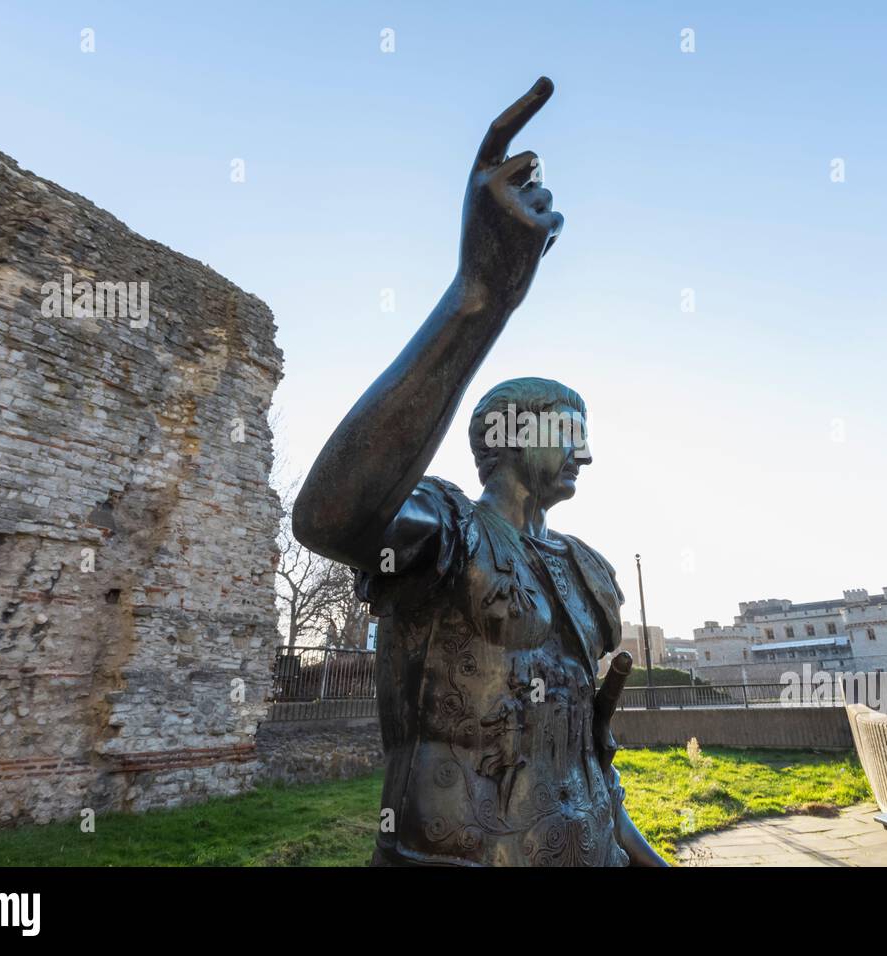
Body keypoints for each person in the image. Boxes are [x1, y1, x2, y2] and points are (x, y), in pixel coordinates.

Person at [293, 77, 666, 867]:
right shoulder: (444, 531)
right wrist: (479, 301)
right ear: (504, 438)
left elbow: (588, 768)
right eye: (568, 433)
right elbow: (330, 518)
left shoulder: (591, 570)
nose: (586, 453)